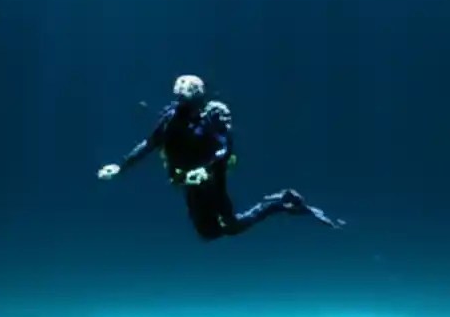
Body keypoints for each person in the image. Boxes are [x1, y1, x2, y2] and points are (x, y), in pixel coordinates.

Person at [97, 74, 344, 240]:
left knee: (231, 226)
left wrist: (207, 169)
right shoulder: (171, 119)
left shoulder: (212, 117)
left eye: (187, 98)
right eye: (180, 99)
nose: (182, 104)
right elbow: (150, 143)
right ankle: (277, 204)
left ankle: (277, 203)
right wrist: (121, 167)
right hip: (187, 180)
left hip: (212, 179)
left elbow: (224, 147)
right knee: (209, 233)